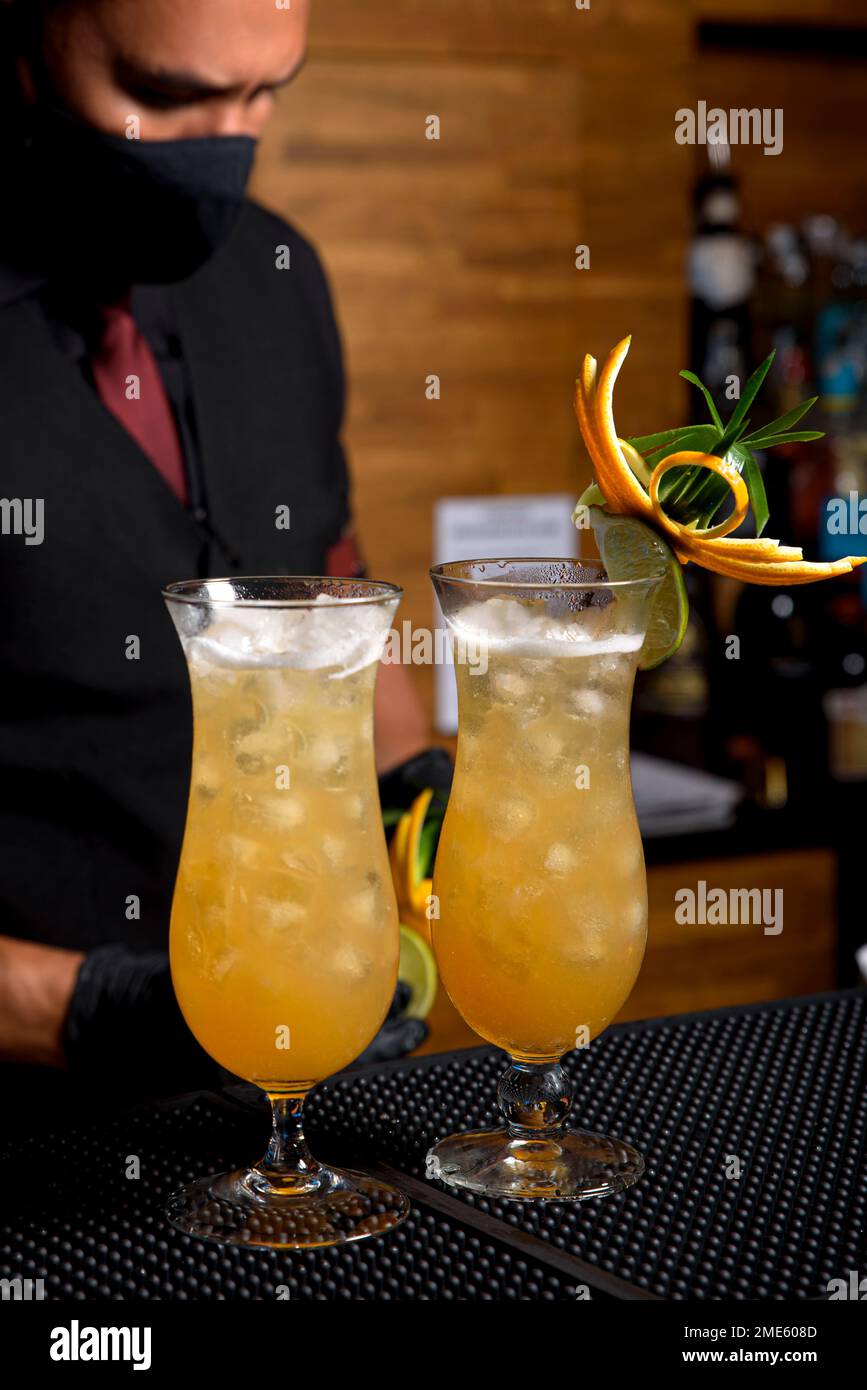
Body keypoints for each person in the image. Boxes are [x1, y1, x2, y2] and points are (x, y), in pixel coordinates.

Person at [0, 0, 445, 1103]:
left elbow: (340, 594)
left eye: (263, 96)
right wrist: (90, 1011)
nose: (226, 143)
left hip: (278, 1108)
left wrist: (417, 797)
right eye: (165, 95)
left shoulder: (282, 276)